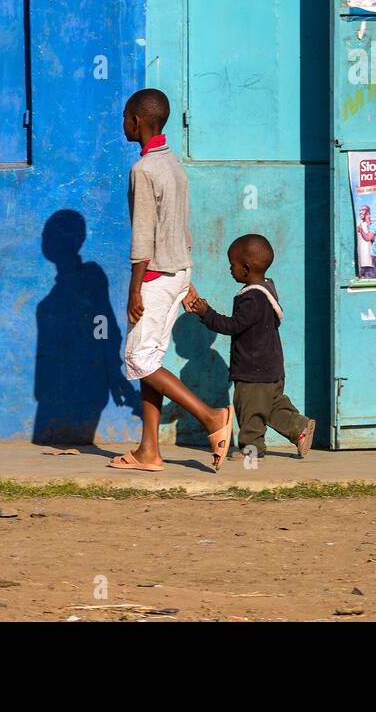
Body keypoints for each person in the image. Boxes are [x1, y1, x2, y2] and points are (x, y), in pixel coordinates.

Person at [111, 88, 234, 472]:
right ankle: (149, 451)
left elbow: (143, 234)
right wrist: (186, 277)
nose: (123, 123)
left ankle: (213, 418)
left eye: (126, 116)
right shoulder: (173, 165)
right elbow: (179, 227)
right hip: (176, 271)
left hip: (155, 276)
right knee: (150, 359)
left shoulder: (144, 169)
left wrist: (135, 288)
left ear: (137, 121)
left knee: (136, 358)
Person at [188, 234, 315, 460]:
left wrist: (206, 313)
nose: (230, 269)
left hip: (254, 370)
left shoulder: (252, 298)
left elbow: (233, 325)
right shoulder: (266, 291)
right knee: (271, 405)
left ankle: (251, 451)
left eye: (232, 265)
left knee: (250, 411)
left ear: (245, 268)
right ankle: (300, 428)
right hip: (271, 367)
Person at [355, 205, 375, 275]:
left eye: (363, 210)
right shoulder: (359, 225)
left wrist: (368, 222)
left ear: (368, 213)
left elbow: (373, 239)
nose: (360, 212)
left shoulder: (372, 224)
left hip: (370, 264)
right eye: (360, 210)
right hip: (361, 263)